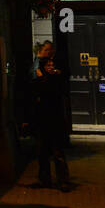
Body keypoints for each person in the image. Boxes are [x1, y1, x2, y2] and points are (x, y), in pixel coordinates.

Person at [32, 56, 71, 190]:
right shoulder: (40, 80)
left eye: (51, 65)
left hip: (55, 121)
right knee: (43, 153)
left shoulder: (55, 80)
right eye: (47, 65)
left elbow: (51, 90)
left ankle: (63, 180)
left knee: (57, 152)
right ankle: (45, 179)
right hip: (43, 120)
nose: (50, 68)